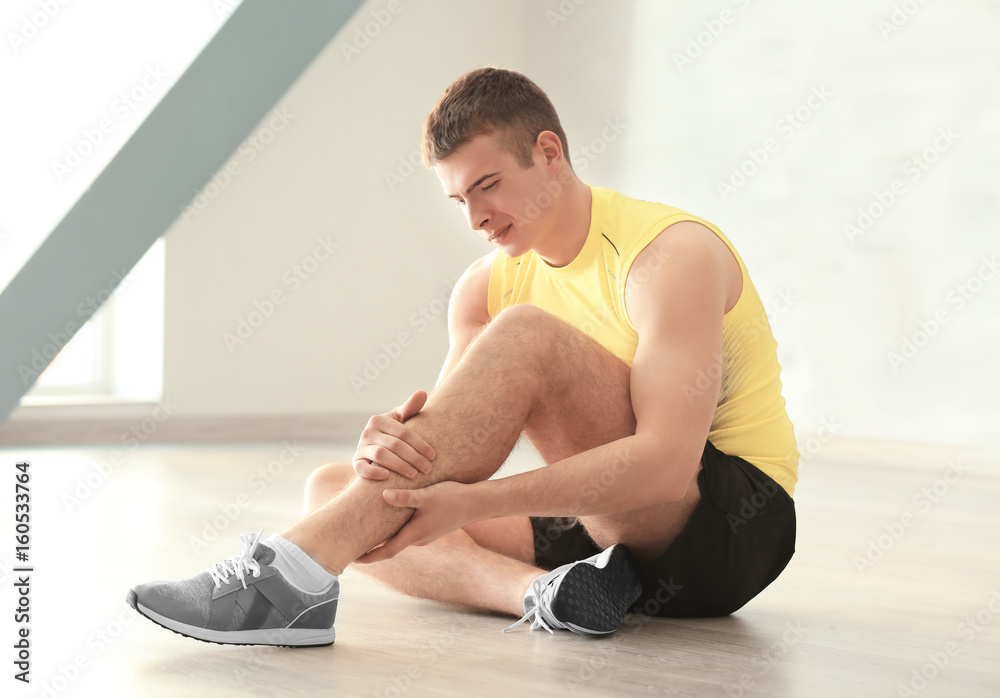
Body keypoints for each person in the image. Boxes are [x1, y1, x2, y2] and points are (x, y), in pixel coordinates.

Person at [127, 66, 798, 647]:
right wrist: (389, 451)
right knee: (334, 490)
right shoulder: (484, 286)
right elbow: (444, 453)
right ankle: (546, 596)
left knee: (525, 333)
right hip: (602, 544)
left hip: (725, 529)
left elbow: (663, 466)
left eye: (488, 185)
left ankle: (284, 578)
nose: (476, 218)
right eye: (460, 200)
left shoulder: (667, 255)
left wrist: (468, 507)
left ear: (548, 152)